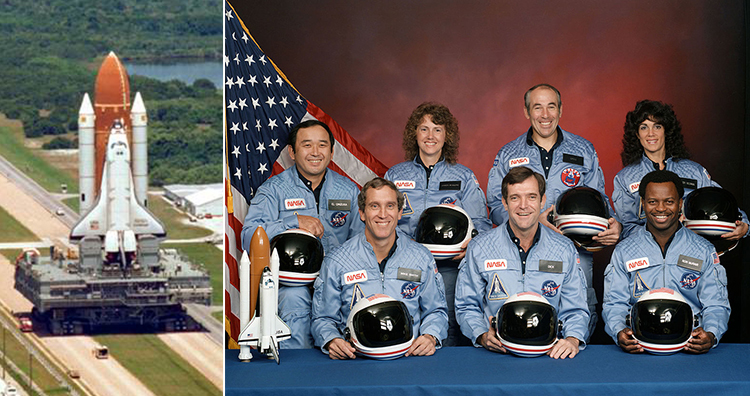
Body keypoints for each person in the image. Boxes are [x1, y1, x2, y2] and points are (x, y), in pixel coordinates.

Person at [486, 84, 620, 339]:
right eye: (537, 107)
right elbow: (494, 205)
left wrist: (615, 226)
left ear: (561, 110)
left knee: (578, 319)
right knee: (526, 320)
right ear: (527, 112)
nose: (545, 114)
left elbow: (600, 202)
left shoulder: (584, 150)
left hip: (576, 251)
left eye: (551, 106)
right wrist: (531, 222)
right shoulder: (508, 154)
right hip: (521, 252)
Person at [240, 119, 363, 349]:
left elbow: (361, 242)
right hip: (292, 285)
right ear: (292, 152)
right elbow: (249, 237)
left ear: (332, 151)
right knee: (294, 301)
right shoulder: (273, 190)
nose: (315, 152)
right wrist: (293, 221)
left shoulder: (348, 190)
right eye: (307, 145)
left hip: (337, 283)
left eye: (322, 145)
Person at [385, 102, 491, 346]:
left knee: (450, 329)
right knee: (405, 326)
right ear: (414, 133)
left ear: (447, 136)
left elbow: (481, 225)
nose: (430, 136)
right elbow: (381, 220)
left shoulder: (463, 176)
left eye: (437, 130)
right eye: (424, 129)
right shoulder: (395, 175)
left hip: (449, 269)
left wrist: (468, 248)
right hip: (404, 266)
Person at [455, 166, 589, 359]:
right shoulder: (480, 248)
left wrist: (573, 339)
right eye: (515, 197)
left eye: (532, 197)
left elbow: (576, 309)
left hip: (550, 354)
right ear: (505, 202)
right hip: (497, 354)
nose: (523, 205)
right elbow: (466, 305)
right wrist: (482, 335)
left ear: (543, 201)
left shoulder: (564, 249)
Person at [311, 178, 448, 359]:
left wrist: (431, 336)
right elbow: (323, 318)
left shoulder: (421, 257)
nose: (383, 214)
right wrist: (331, 339)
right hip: (356, 360)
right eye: (374, 206)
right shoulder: (337, 261)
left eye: (390, 206)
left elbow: (436, 311)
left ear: (400, 212)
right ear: (361, 212)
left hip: (409, 358)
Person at [603, 170, 730, 353]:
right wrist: (618, 331)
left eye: (669, 201)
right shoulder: (624, 251)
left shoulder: (703, 250)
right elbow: (614, 303)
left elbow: (716, 304)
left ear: (680, 204)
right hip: (640, 345)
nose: (661, 208)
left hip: (689, 345)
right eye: (652, 201)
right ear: (642, 203)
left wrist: (711, 332)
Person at [612, 99, 748, 240]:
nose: (650, 133)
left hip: (691, 249)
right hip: (647, 253)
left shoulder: (694, 171)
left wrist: (744, 224)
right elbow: (626, 228)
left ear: (666, 130)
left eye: (657, 126)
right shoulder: (625, 178)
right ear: (636, 134)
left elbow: (721, 203)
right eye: (644, 127)